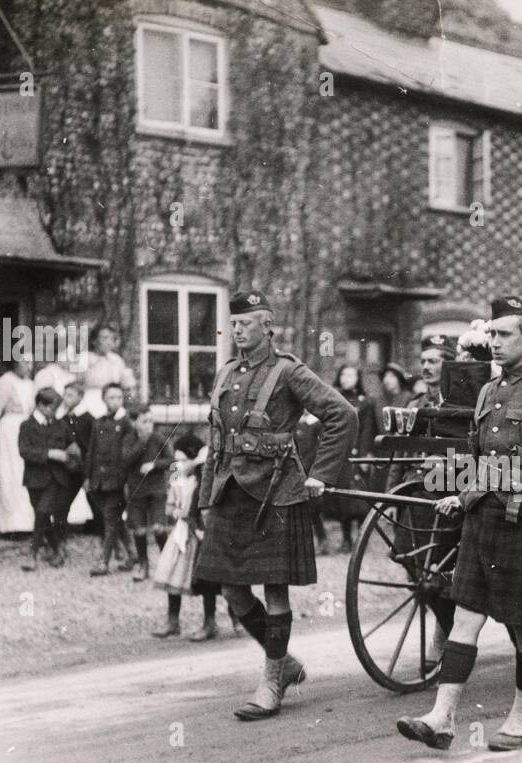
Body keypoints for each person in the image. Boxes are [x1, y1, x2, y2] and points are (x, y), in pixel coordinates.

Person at [397, 295, 522, 752]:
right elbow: (482, 460)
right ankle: (442, 717)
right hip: (483, 522)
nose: (494, 343)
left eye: (504, 335)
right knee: (464, 619)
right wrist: (461, 497)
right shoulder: (487, 391)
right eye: (492, 334)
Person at [195, 290, 356, 721]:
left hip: (276, 494)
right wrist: (205, 498)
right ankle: (283, 662)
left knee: (275, 589)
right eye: (233, 324)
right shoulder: (226, 372)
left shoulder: (288, 371)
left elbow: (342, 414)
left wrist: (320, 473)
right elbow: (216, 443)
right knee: (229, 588)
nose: (236, 331)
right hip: (230, 492)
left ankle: (270, 681)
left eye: (245, 324)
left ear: (267, 327)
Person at [386, 334, 468, 670]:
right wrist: (391, 495)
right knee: (410, 563)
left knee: (442, 575)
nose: (426, 367)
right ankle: (445, 624)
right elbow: (399, 454)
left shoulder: (463, 406)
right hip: (416, 497)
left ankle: (445, 631)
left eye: (434, 361)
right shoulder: (415, 407)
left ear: (450, 366)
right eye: (423, 362)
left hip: (450, 493)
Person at [151, 434, 225, 640]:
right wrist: (173, 510)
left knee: (203, 576)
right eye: (177, 460)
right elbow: (171, 499)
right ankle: (172, 620)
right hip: (181, 530)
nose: (180, 464)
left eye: (184, 460)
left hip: (198, 531)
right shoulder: (177, 474)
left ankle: (210, 621)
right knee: (171, 571)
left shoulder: (201, 476)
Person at [318, 364, 376, 551]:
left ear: (358, 378)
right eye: (343, 374)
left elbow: (367, 430)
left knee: (359, 499)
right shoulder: (334, 398)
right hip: (340, 454)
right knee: (342, 498)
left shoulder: (365, 402)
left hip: (357, 454)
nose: (346, 378)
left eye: (350, 375)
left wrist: (364, 455)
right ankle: (346, 538)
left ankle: (361, 536)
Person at [86, 383, 138, 576]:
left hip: (117, 482)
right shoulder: (98, 422)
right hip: (99, 481)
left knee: (109, 519)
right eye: (111, 397)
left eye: (118, 397)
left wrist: (125, 481)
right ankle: (132, 554)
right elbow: (91, 451)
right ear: (104, 399)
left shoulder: (127, 424)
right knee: (114, 519)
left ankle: (103, 562)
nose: (115, 401)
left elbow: (128, 455)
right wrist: (87, 477)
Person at [16, 387, 71, 570]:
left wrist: (69, 454)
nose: (54, 412)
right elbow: (24, 451)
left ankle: (33, 555)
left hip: (55, 478)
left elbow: (70, 445)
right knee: (43, 518)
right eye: (51, 408)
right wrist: (49, 453)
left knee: (42, 512)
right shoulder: (27, 426)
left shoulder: (60, 425)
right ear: (40, 405)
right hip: (34, 478)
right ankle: (57, 550)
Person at [0, 357, 37, 536]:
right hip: (8, 432)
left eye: (31, 363)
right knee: (10, 474)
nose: (28, 366)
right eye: (24, 362)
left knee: (26, 473)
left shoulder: (31, 384)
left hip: (27, 430)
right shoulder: (3, 383)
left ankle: (27, 523)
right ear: (15, 362)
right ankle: (10, 525)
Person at [124, 407, 175, 582]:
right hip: (136, 491)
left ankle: (167, 565)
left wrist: (154, 465)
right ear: (134, 423)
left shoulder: (159, 438)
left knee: (158, 528)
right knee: (138, 530)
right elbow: (125, 460)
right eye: (144, 421)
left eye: (151, 421)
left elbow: (172, 461)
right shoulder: (129, 439)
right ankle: (143, 565)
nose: (149, 426)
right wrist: (142, 442)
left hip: (157, 490)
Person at [55, 381, 94, 532]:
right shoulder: (62, 419)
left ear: (81, 397)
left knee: (97, 503)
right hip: (71, 469)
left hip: (87, 469)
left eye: (70, 395)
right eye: (64, 395)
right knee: (62, 503)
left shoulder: (88, 419)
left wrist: (88, 473)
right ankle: (60, 535)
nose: (66, 398)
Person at [78, 324, 138, 417]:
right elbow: (77, 382)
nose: (109, 342)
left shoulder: (116, 359)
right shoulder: (84, 357)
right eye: (105, 338)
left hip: (113, 400)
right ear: (94, 341)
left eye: (112, 339)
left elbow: (127, 383)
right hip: (89, 399)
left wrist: (129, 388)